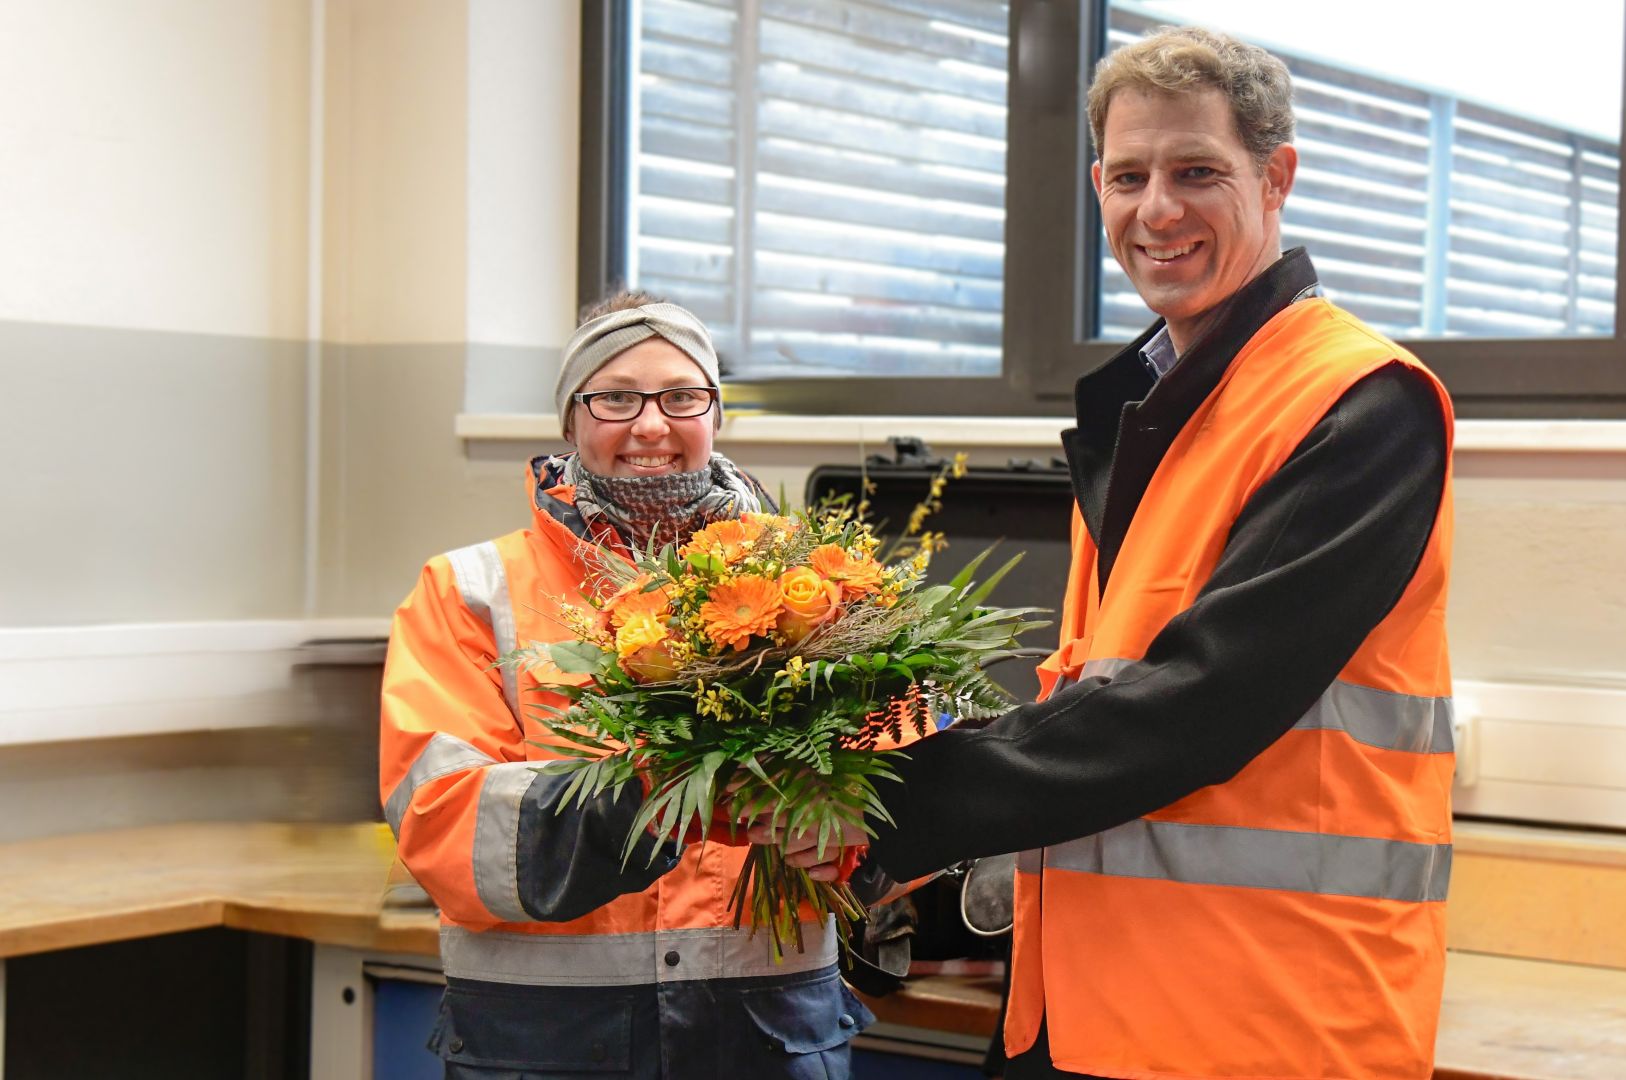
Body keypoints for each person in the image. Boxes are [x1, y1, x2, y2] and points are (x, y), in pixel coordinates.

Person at [756, 26, 1456, 1080]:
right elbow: (1091, 698)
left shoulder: (1358, 403)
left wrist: (888, 801)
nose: (1156, 211)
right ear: (1096, 187)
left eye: (1196, 173)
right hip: (1082, 1003)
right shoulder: (1151, 407)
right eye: (1128, 177)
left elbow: (1199, 701)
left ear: (1278, 179)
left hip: (1268, 1019)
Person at [379, 291, 874, 1079]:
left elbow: (900, 776)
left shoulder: (813, 580)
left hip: (767, 1029)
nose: (651, 425)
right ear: (570, 419)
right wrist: (686, 799)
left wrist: (853, 845)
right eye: (615, 397)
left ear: (715, 414)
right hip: (544, 1041)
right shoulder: (468, 590)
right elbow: (447, 827)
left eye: (681, 396)